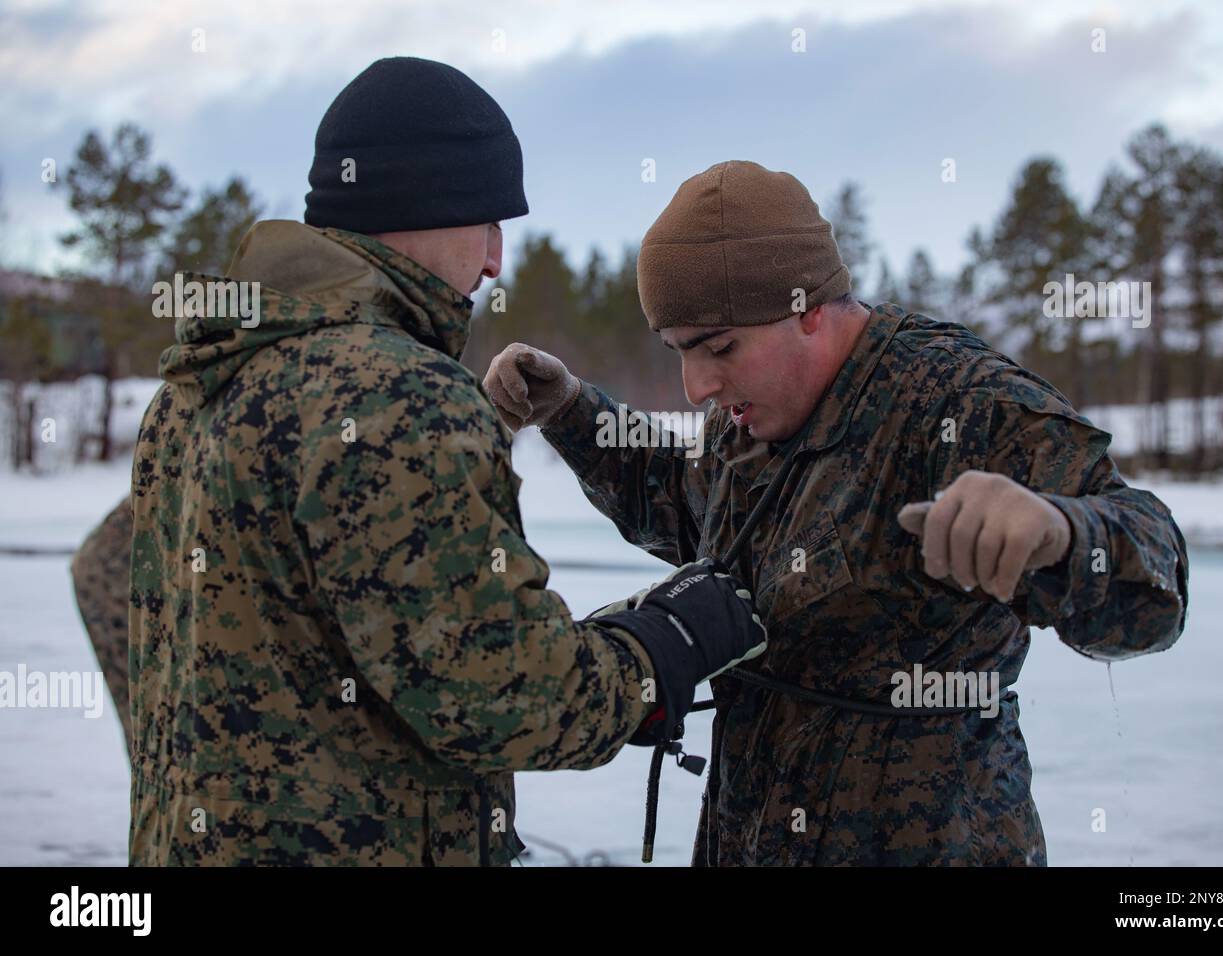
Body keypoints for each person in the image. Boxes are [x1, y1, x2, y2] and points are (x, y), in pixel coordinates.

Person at [77, 58, 766, 867]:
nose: (495, 261)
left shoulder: (201, 382)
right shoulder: (395, 393)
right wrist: (664, 642)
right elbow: (507, 695)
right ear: (428, 205)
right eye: (489, 222)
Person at [484, 159, 1189, 866]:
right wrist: (574, 413)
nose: (695, 385)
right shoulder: (751, 419)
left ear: (809, 308)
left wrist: (1061, 535)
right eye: (678, 352)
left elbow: (1154, 577)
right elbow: (689, 508)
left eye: (719, 347)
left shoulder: (956, 401)